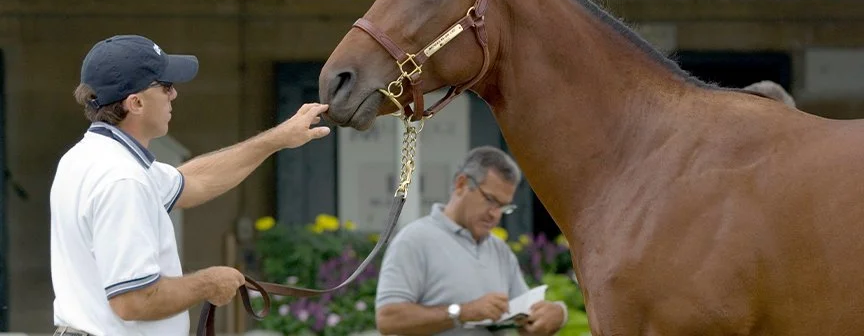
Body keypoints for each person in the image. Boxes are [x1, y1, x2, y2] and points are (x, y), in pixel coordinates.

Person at [49, 34, 330, 336]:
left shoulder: (88, 157)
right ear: (137, 102)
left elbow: (195, 181)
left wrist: (278, 138)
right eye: (166, 86)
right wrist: (208, 282)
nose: (174, 95)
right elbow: (133, 301)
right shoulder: (123, 178)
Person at [375, 146, 567, 336]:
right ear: (461, 184)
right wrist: (463, 312)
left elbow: (527, 320)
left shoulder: (499, 250)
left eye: (503, 207)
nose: (496, 215)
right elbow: (388, 319)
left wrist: (556, 314)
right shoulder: (414, 240)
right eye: (490, 200)